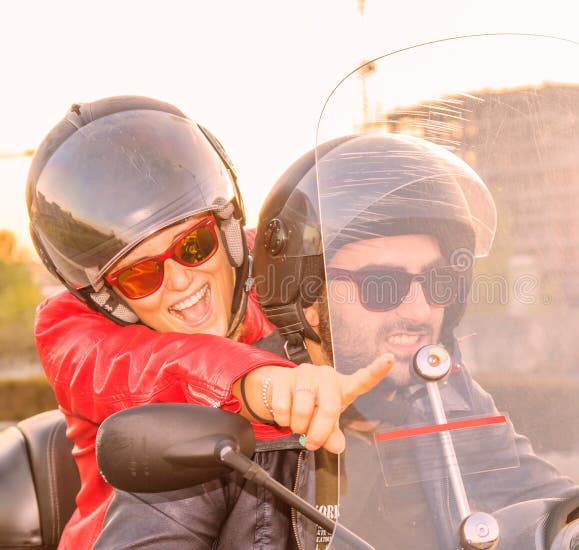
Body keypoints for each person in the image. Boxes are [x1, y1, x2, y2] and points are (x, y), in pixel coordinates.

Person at [26, 96, 392, 549]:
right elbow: (147, 369)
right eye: (139, 275)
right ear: (110, 297)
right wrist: (260, 383)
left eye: (194, 244)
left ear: (227, 229)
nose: (180, 280)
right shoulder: (69, 329)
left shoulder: (280, 272)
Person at [252, 133, 577, 549]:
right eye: (383, 285)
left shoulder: (447, 398)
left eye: (438, 282)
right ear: (308, 299)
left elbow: (548, 499)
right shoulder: (244, 415)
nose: (420, 311)